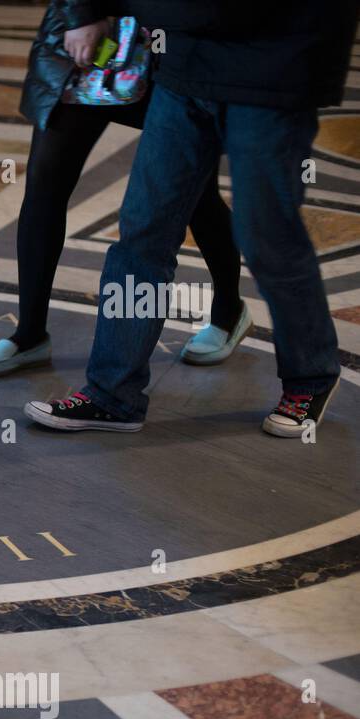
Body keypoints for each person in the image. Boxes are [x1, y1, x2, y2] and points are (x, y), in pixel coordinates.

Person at [25, 0, 359, 436]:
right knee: (143, 231)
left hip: (272, 79)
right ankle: (112, 394)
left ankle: (309, 377)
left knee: (267, 235)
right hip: (183, 73)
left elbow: (228, 12)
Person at [0, 1, 246, 379]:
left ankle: (229, 312)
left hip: (171, 45)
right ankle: (29, 335)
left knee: (196, 196)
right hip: (84, 45)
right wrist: (81, 15)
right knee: (44, 189)